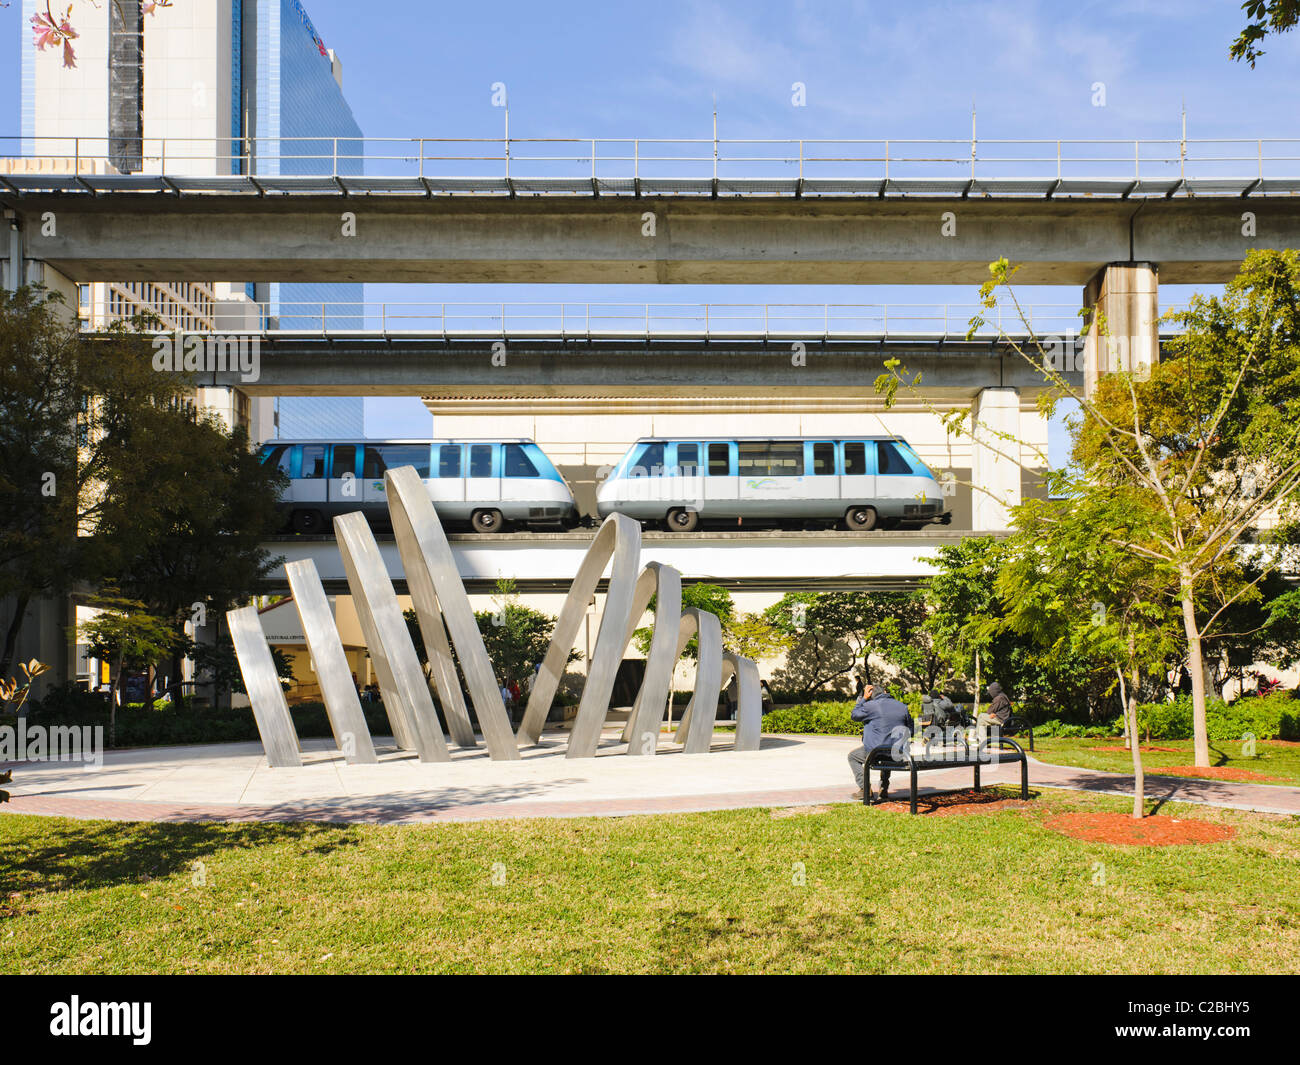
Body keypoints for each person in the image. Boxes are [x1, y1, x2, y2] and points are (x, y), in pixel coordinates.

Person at [847, 682, 914, 803]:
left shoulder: (871, 705)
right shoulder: (902, 706)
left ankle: (865, 788)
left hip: (875, 753)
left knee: (853, 757)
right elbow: (911, 730)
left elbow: (854, 715)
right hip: (897, 753)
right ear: (885, 692)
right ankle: (884, 789)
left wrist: (863, 699)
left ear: (871, 695)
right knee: (889, 749)